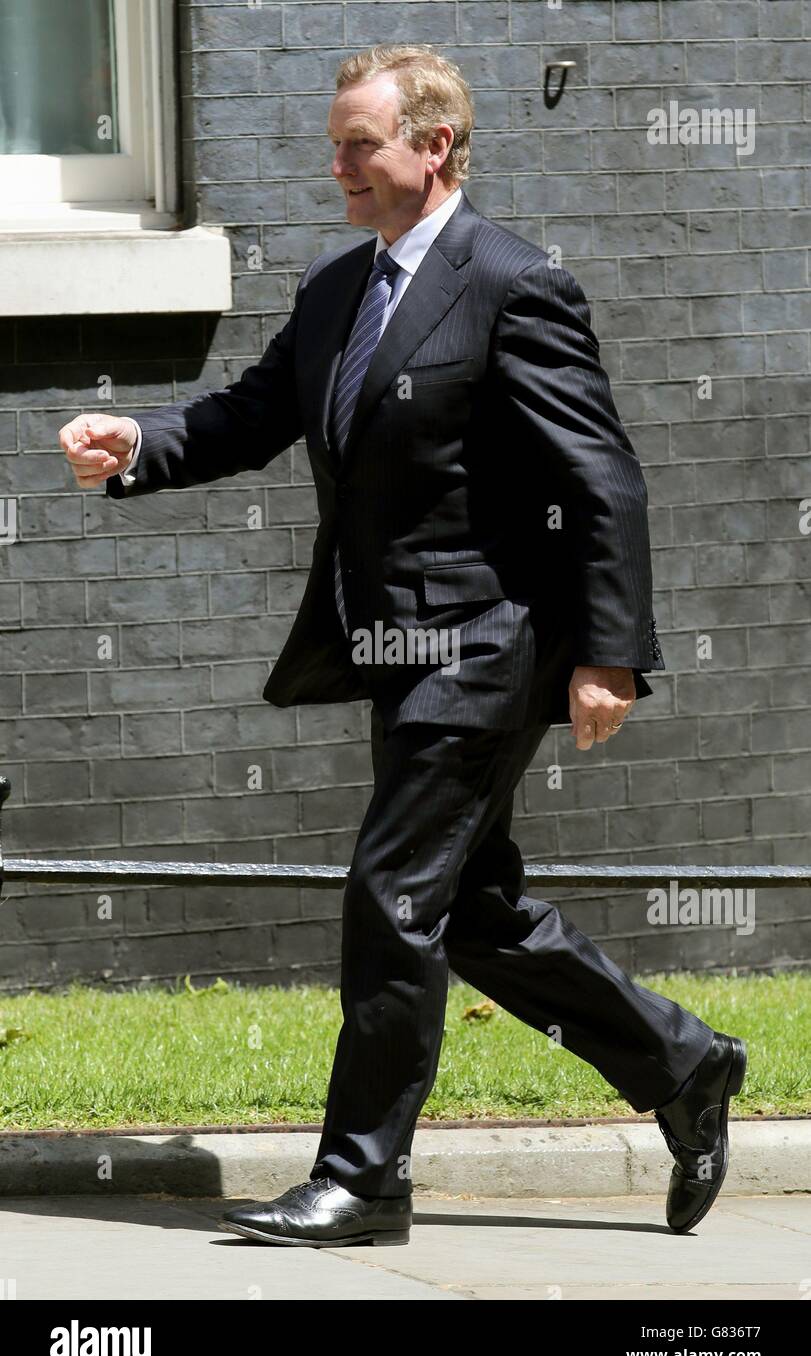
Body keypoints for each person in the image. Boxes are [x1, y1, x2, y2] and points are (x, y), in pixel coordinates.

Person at [59, 44, 746, 1249]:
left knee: (391, 896)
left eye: (357, 146)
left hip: (491, 646)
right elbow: (254, 414)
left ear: (432, 148)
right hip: (397, 646)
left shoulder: (514, 284)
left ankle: (363, 1179)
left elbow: (604, 480)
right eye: (334, 147)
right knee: (467, 910)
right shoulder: (340, 290)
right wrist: (143, 441)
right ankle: (685, 1062)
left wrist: (609, 653)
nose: (337, 169)